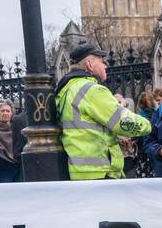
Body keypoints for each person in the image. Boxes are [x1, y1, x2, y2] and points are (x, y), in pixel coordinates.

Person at [55, 45, 152, 180]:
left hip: (80, 171)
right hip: (100, 172)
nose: (105, 65)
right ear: (89, 64)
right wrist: (149, 125)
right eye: (101, 61)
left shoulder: (67, 89)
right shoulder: (92, 90)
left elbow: (85, 128)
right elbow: (123, 123)